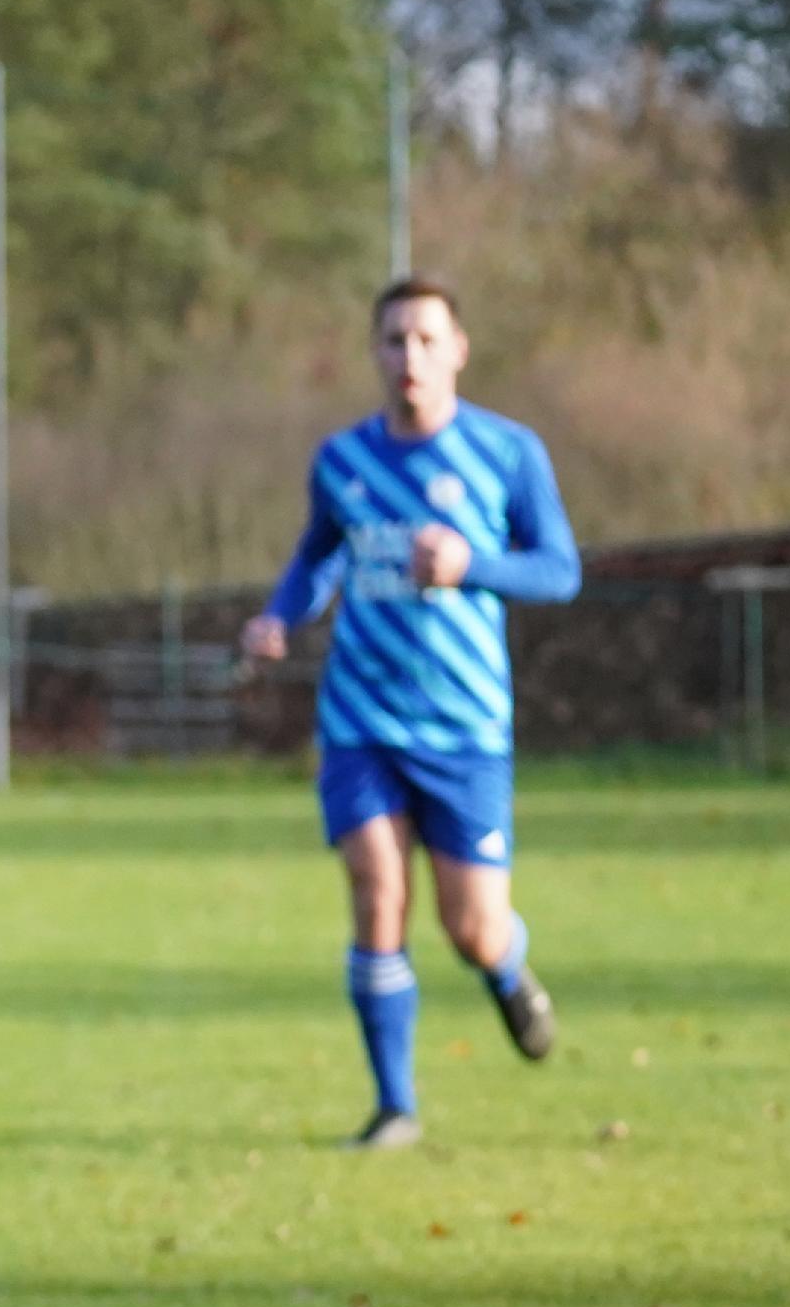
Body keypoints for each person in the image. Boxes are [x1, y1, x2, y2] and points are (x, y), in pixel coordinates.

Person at [239, 277, 575, 1149]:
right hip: (359, 721)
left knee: (469, 926)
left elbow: (560, 570)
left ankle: (505, 962)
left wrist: (474, 564)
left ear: (459, 348)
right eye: (393, 340)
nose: (409, 356)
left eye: (427, 338)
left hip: (465, 729)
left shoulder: (508, 453)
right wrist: (283, 614)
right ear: (375, 355)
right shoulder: (342, 460)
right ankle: (396, 1107)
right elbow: (317, 557)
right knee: (375, 888)